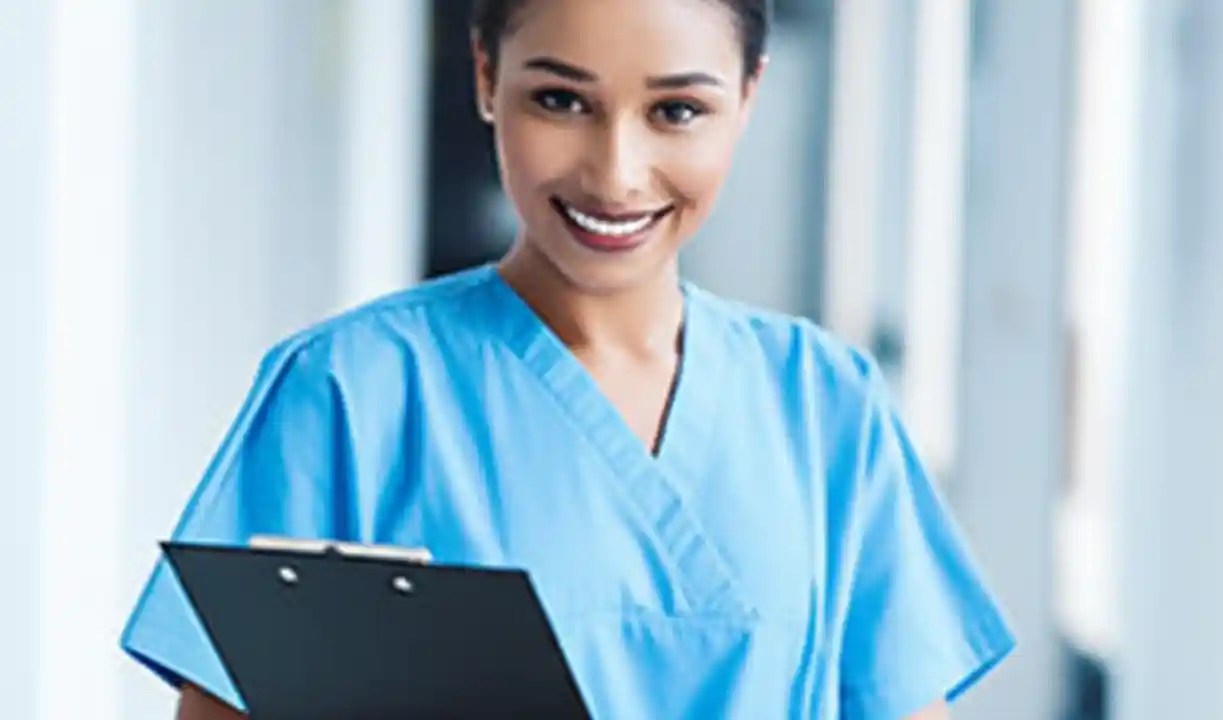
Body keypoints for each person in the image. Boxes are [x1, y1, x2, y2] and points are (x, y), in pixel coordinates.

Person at [120, 0, 1015, 717]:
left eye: (677, 111)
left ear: (748, 96)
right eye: (560, 100)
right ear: (485, 76)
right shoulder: (350, 392)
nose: (616, 173)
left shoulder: (828, 408)